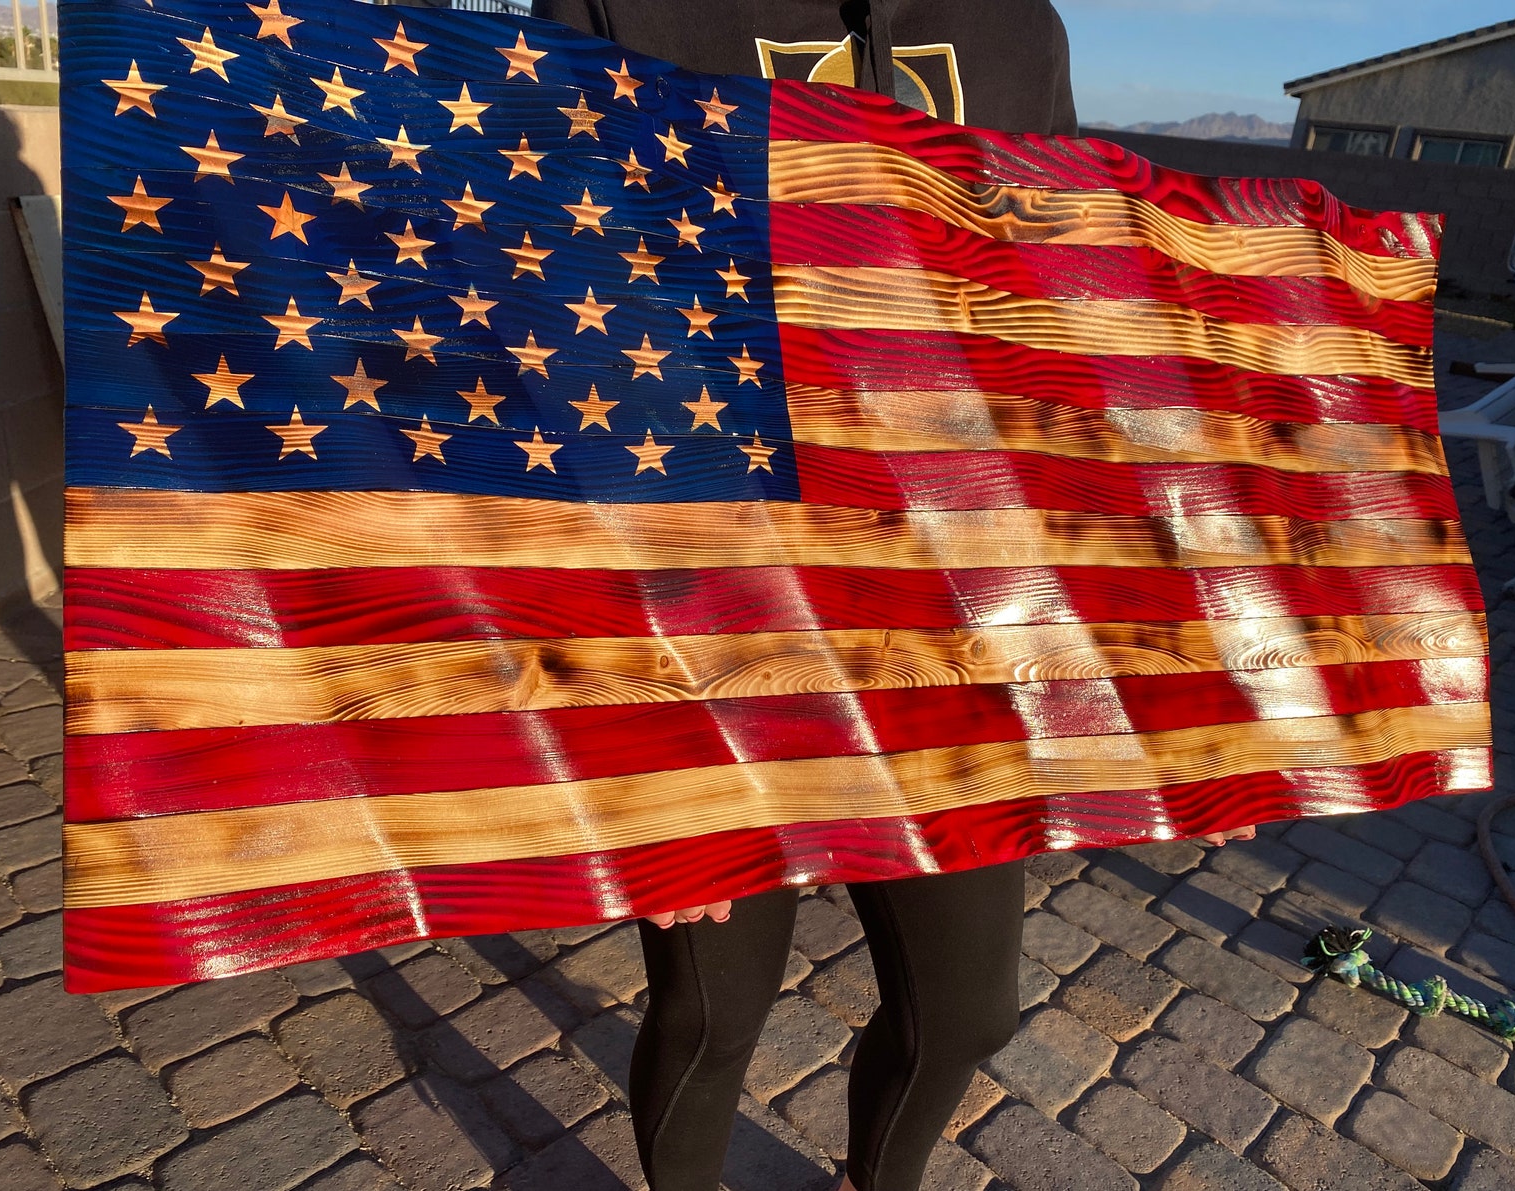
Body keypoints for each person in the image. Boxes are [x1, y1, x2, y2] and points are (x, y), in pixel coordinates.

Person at [530, 3, 1253, 1187]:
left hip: (947, 617)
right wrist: (630, 720)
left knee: (968, 1011)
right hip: (715, 615)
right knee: (714, 1015)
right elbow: (548, 342)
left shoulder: (1020, 26)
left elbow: (1052, 308)